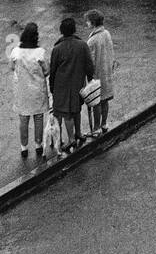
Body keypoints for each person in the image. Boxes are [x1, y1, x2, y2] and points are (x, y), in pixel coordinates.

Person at [48, 17, 94, 151]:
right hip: (78, 84)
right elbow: (89, 65)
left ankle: (71, 140)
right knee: (76, 109)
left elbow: (53, 70)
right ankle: (78, 133)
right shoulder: (82, 45)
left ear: (62, 31)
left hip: (62, 86)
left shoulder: (57, 48)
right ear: (74, 30)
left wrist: (52, 87)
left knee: (66, 114)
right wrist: (90, 80)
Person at [9, 21, 50, 158]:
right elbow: (46, 71)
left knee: (23, 119)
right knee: (38, 118)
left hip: (22, 91)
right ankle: (38, 145)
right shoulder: (40, 52)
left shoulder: (15, 52)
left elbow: (11, 67)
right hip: (37, 91)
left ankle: (24, 147)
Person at [84, 10, 115, 135]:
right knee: (105, 100)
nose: (86, 23)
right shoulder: (107, 34)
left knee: (96, 101)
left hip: (97, 75)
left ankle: (96, 128)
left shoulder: (92, 40)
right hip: (107, 72)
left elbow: (89, 60)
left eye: (87, 21)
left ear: (92, 22)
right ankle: (104, 124)